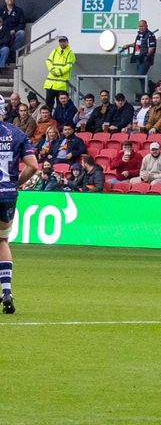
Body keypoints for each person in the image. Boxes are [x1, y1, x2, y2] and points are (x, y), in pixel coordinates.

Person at [0, 115, 40, 314]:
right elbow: (33, 166)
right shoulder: (17, 134)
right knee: (2, 241)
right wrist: (16, 183)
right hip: (7, 194)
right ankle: (6, 291)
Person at [43, 36, 75, 113]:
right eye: (60, 41)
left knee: (60, 105)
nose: (62, 43)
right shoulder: (54, 51)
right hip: (50, 84)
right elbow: (48, 61)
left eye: (64, 41)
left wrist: (58, 71)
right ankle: (48, 119)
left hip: (61, 84)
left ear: (67, 42)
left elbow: (69, 66)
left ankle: (58, 120)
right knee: (48, 104)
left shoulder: (70, 53)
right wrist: (52, 69)